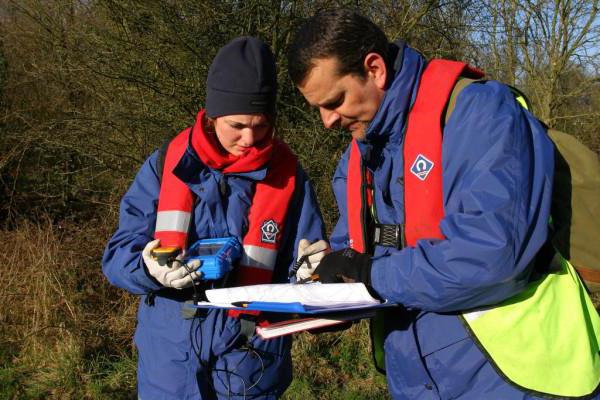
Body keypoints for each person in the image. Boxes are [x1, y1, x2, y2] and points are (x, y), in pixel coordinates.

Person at [288, 9, 600, 400]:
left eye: (334, 101)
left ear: (375, 69)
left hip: (518, 378)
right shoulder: (355, 160)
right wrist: (322, 276)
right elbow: (359, 257)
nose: (326, 121)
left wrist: (368, 272)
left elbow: (491, 257)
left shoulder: (480, 113)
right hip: (415, 380)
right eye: (317, 108)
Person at [102, 36, 326, 399]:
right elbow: (116, 257)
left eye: (261, 125)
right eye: (237, 125)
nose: (250, 139)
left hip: (250, 365)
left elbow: (309, 275)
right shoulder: (164, 166)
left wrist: (311, 278)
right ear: (212, 114)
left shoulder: (291, 179)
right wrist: (147, 269)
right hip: (169, 364)